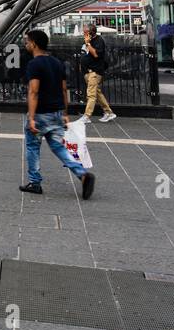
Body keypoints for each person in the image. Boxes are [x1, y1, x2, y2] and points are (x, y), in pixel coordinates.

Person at [21, 29, 96, 199]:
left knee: (33, 147)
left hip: (40, 114)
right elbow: (63, 89)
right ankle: (81, 173)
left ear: (34, 44)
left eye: (27, 41)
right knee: (58, 147)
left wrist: (31, 117)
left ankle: (35, 182)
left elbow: (34, 91)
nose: (25, 44)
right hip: (56, 113)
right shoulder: (57, 63)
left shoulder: (34, 64)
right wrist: (64, 112)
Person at [79, 23, 117, 124]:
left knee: (91, 95)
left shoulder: (98, 41)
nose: (84, 34)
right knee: (97, 93)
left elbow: (95, 54)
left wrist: (87, 43)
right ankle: (108, 112)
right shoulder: (90, 40)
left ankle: (86, 116)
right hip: (88, 72)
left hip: (94, 72)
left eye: (86, 32)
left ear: (91, 33)